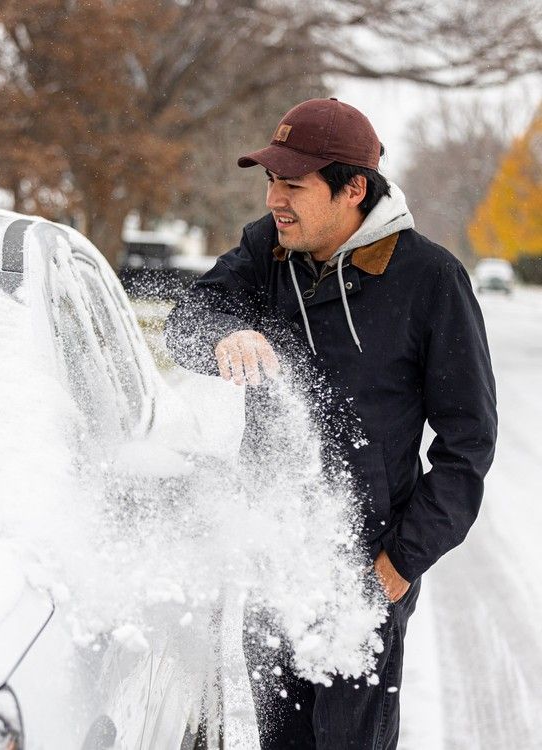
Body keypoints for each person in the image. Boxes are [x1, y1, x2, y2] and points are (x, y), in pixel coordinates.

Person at [165, 98, 497, 749]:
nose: (274, 200)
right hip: (273, 554)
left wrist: (399, 563)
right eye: (271, 181)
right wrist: (227, 332)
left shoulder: (430, 280)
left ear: (353, 190)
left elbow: (468, 443)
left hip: (363, 570)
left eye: (293, 185)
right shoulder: (266, 251)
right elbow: (187, 321)